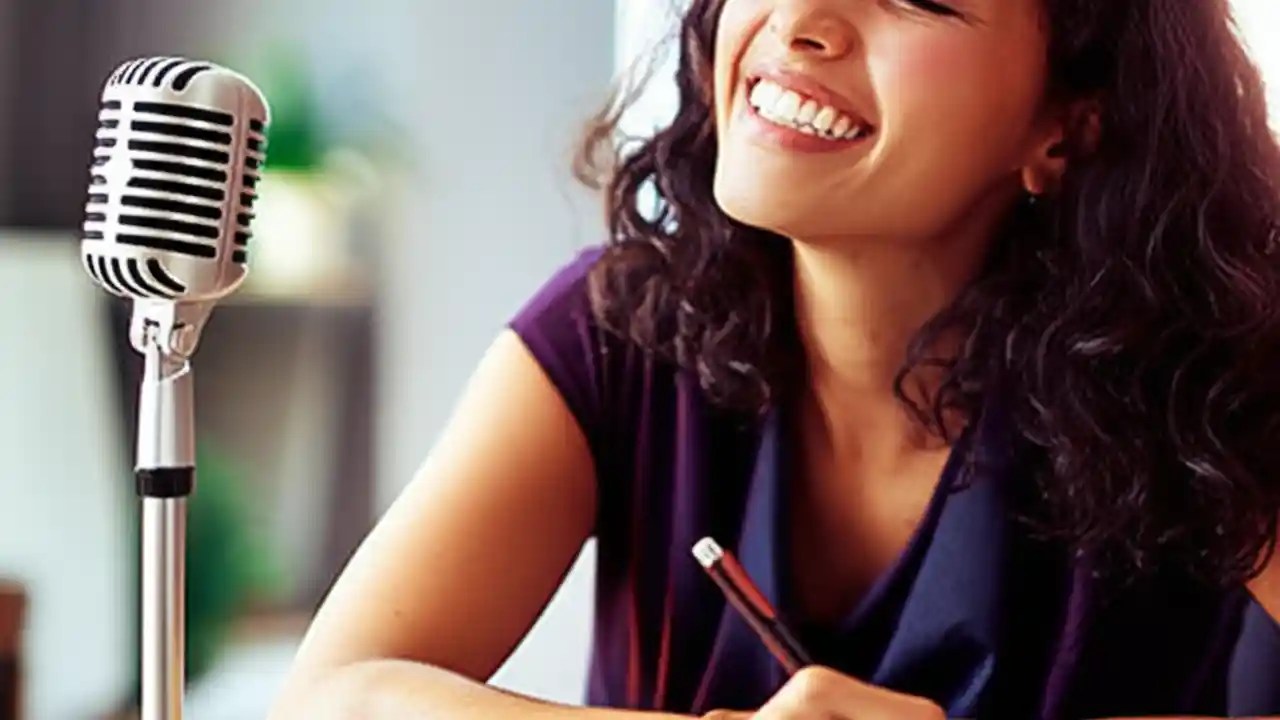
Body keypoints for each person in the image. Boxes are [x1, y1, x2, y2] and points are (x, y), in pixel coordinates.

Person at [268, 0, 1280, 717]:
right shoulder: (613, 330)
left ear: (1065, 127)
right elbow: (336, 695)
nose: (802, 17)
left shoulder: (1205, 368)